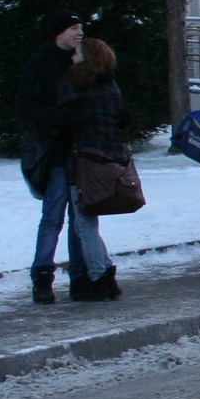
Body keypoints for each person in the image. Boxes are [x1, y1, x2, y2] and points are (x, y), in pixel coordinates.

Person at [18, 11, 86, 304]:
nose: (80, 33)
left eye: (81, 27)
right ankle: (42, 276)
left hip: (85, 152)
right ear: (59, 33)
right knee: (53, 216)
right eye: (74, 28)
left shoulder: (85, 60)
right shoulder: (40, 64)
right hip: (57, 152)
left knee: (82, 217)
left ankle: (82, 276)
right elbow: (27, 108)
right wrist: (60, 119)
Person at [55, 37, 129, 301]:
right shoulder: (110, 85)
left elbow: (64, 120)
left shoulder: (77, 86)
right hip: (107, 157)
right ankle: (105, 271)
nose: (72, 57)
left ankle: (100, 276)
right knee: (87, 223)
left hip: (84, 160)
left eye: (77, 54)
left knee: (84, 224)